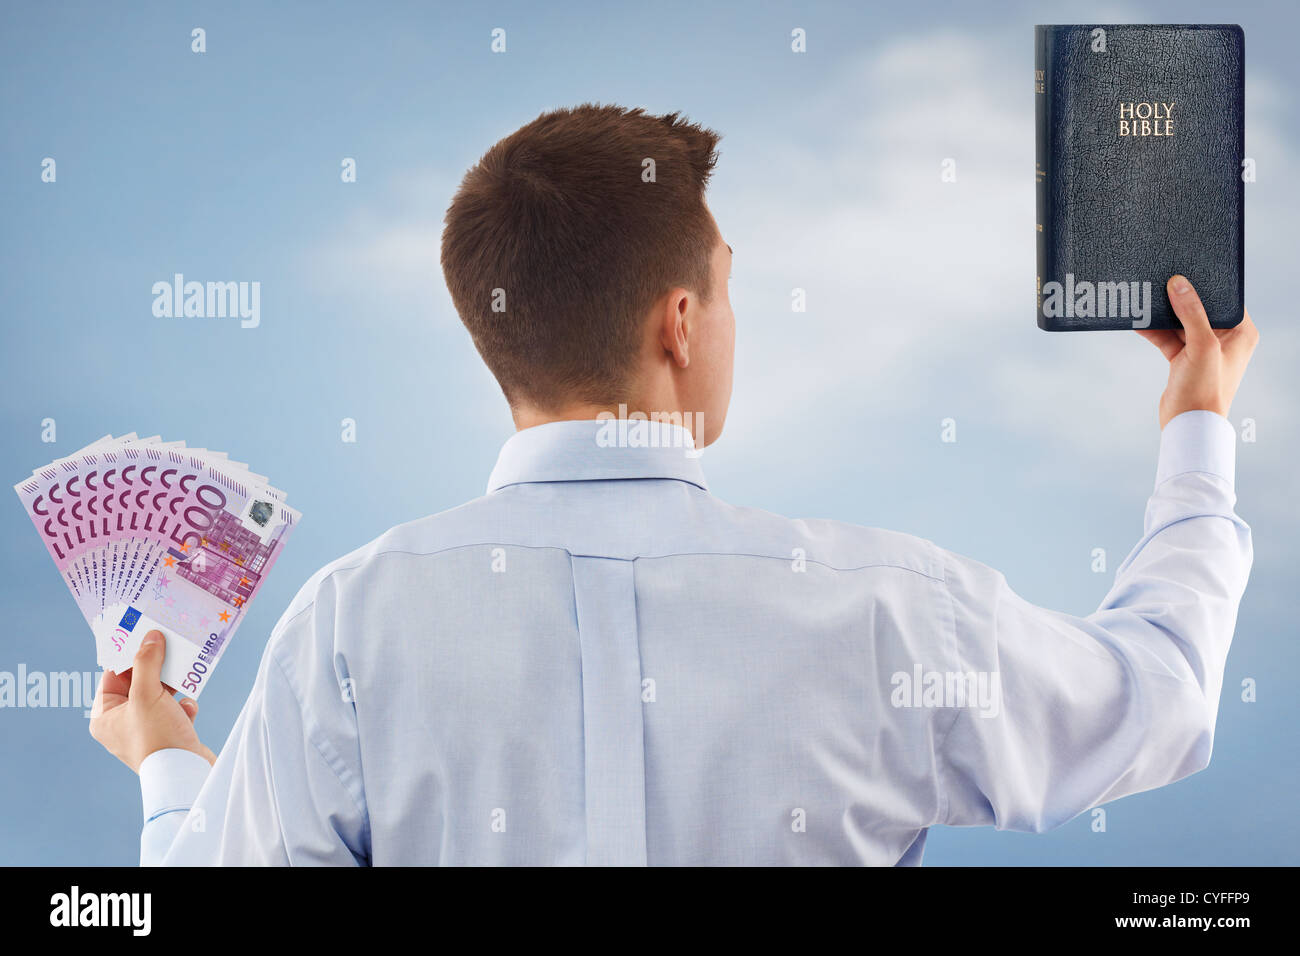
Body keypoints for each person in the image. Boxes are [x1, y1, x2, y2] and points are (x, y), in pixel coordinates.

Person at [89, 104, 1258, 865]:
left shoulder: (345, 631)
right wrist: (1196, 429)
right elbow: (1160, 694)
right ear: (681, 322)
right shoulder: (887, 607)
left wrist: (169, 765)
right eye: (729, 290)